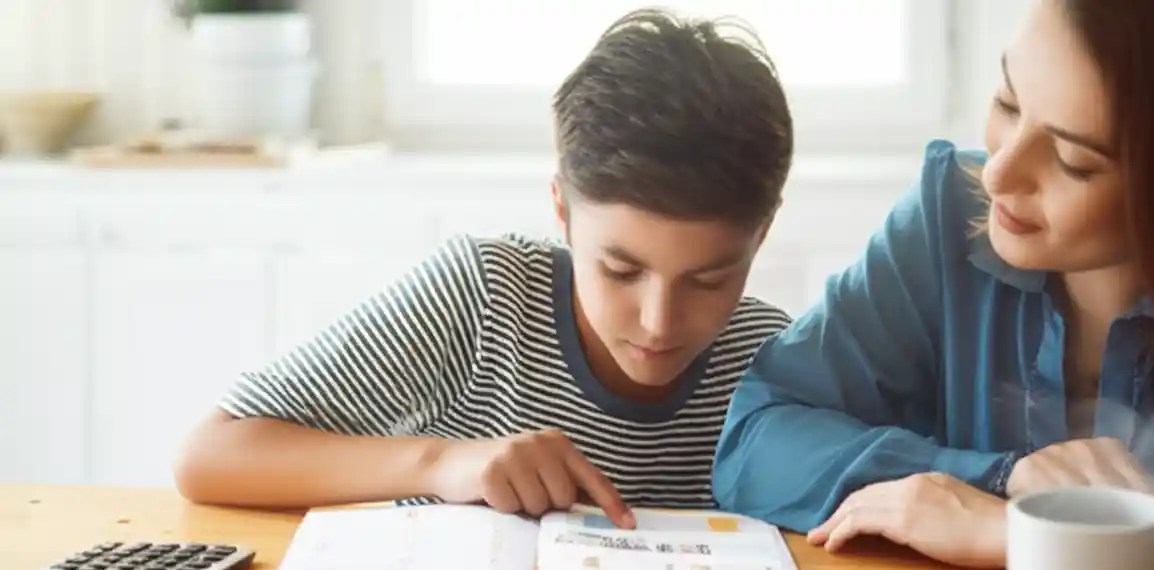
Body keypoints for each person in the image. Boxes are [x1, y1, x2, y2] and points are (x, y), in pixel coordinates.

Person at [712, 0, 1154, 570]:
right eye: (1009, 103)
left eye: (1073, 161)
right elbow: (757, 437)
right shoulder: (948, 213)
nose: (1001, 173)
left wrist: (1040, 538)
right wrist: (995, 478)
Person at [174, 9, 794, 529]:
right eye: (620, 271)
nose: (659, 322)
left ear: (761, 235)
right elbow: (209, 455)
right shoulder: (487, 296)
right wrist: (442, 464)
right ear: (562, 211)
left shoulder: (775, 361)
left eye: (707, 281)